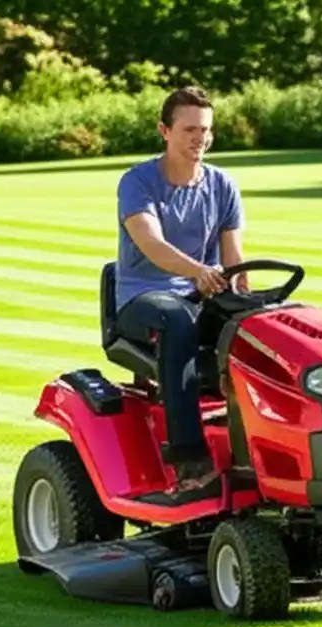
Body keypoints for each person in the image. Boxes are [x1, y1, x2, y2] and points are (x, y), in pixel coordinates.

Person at [114, 86, 249, 493]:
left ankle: (259, 446)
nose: (199, 138)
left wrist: (245, 298)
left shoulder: (223, 185)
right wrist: (198, 272)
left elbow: (234, 257)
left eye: (205, 130)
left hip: (200, 293)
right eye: (189, 129)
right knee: (177, 319)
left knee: (264, 323)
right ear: (164, 131)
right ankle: (189, 459)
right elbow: (151, 245)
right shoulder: (138, 183)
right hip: (143, 297)